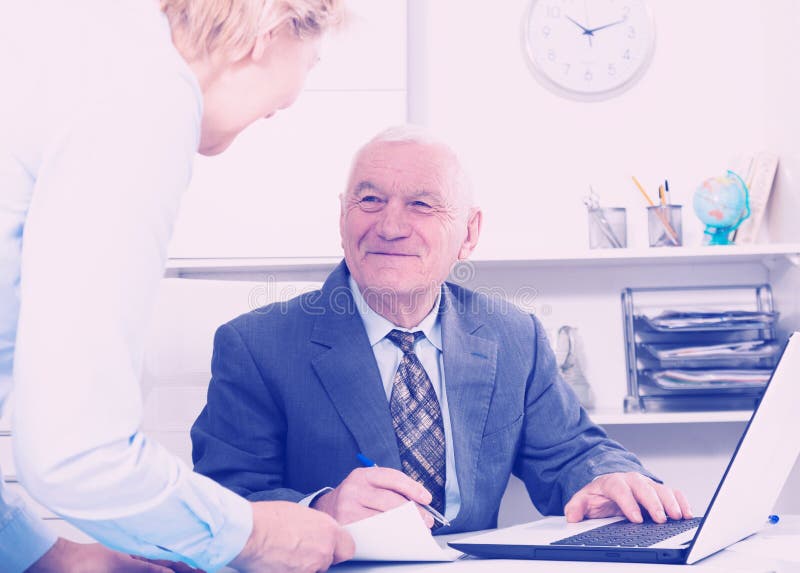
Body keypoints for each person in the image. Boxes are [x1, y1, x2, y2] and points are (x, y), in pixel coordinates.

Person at [191, 125, 693, 534]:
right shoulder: (256, 345)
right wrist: (320, 511)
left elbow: (572, 452)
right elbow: (219, 502)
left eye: (422, 205)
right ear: (342, 218)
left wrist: (611, 479)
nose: (390, 226)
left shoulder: (514, 335)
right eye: (370, 200)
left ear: (469, 233)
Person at [0, 1, 355, 571]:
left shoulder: (80, 51)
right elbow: (78, 454)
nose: (286, 105)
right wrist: (253, 534)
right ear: (270, 29)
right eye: (313, 57)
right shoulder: (146, 91)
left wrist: (48, 554)